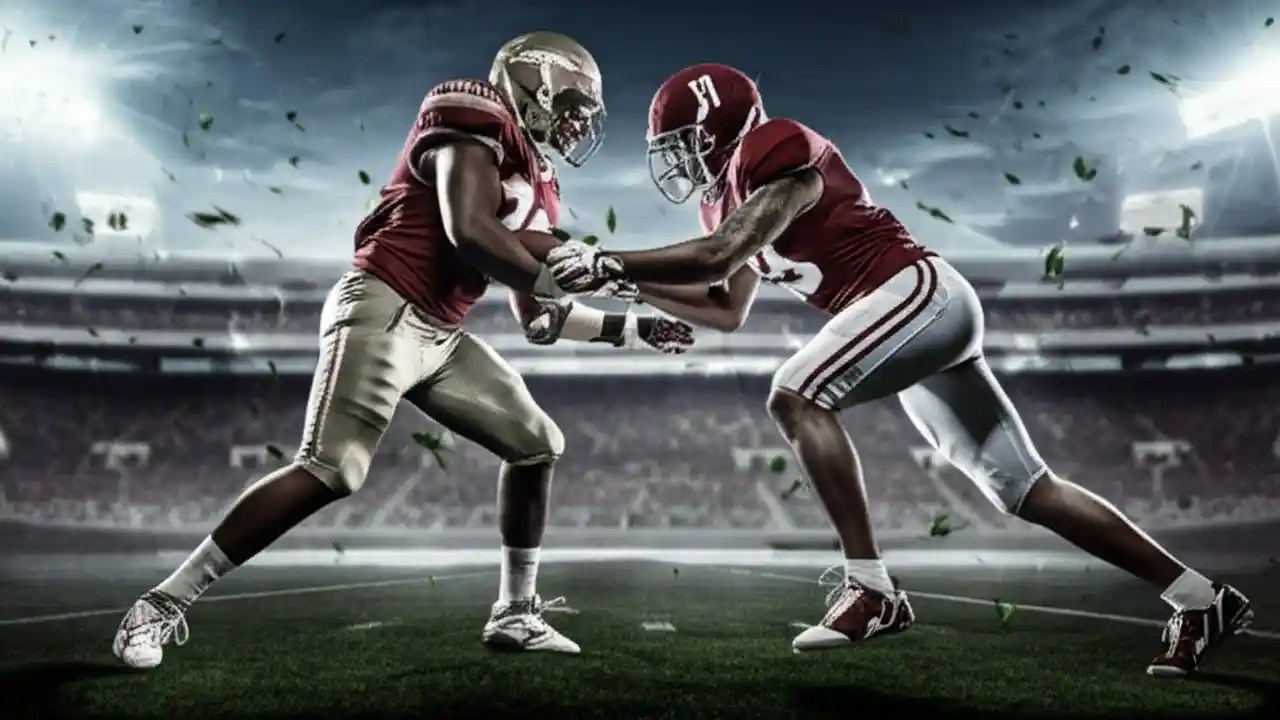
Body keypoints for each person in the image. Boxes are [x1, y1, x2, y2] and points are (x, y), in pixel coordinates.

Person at [543, 62, 1253, 677]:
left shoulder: (774, 151)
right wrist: (628, 286)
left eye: (683, 142)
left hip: (914, 292)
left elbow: (721, 255)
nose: (678, 161)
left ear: (719, 124)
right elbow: (726, 306)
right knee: (1024, 488)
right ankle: (1200, 598)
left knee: (795, 394)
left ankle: (872, 587)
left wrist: (610, 259)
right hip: (908, 318)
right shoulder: (721, 195)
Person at [112, 31, 692, 669]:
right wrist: (580, 268)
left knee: (537, 444)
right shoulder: (473, 110)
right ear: (538, 84)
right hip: (384, 304)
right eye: (574, 102)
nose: (580, 121)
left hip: (441, 335)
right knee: (333, 470)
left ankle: (515, 613)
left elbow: (538, 320)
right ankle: (161, 605)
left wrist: (631, 329)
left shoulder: (542, 182)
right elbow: (468, 232)